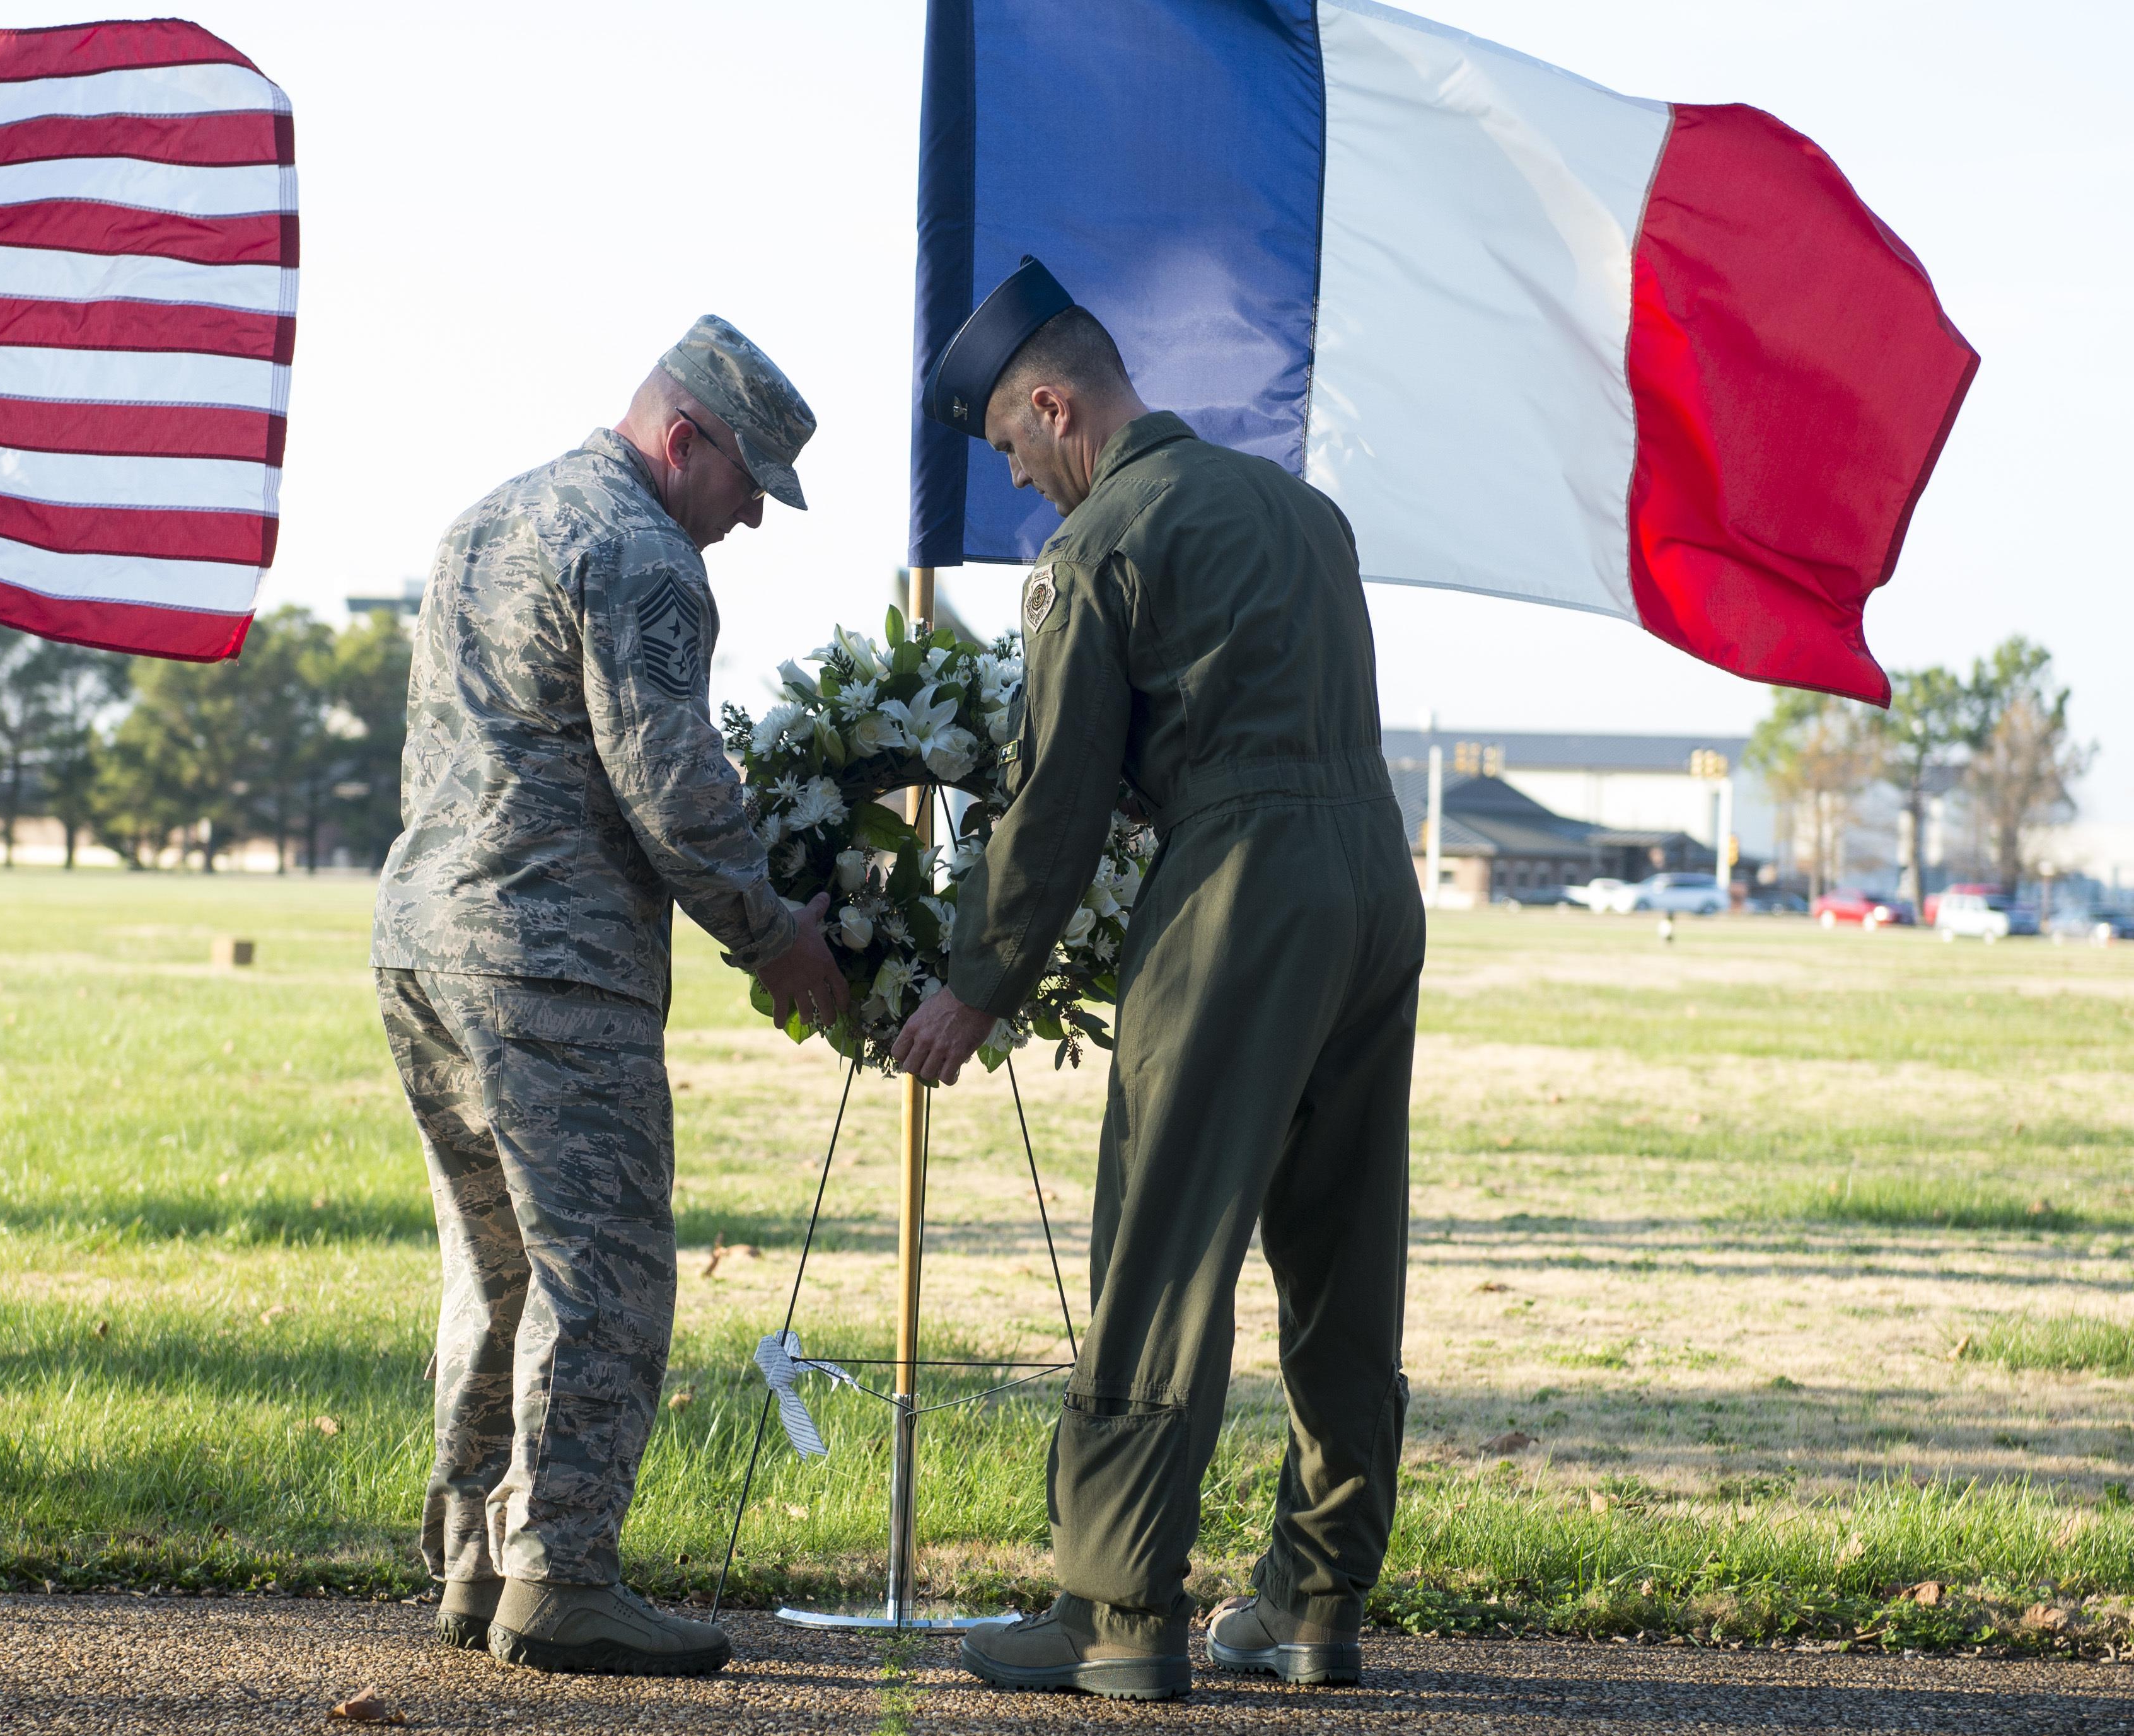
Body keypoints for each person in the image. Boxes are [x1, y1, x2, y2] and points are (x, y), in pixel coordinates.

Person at [895, 259, 1425, 1701]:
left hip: (1239, 893)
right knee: (1341, 1243)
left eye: (1014, 453)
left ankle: (1117, 1611)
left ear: (1053, 407)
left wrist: (979, 982)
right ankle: (1314, 1601)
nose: (1025, 489)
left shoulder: (1101, 543)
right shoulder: (1303, 514)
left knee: (1163, 1242)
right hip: (1375, 879)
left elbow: (1058, 798)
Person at [371, 315, 849, 1677]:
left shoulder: (490, 518)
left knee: (493, 1265)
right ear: (680, 436)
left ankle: (473, 1563)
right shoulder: (642, 555)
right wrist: (774, 936)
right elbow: (672, 787)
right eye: (746, 482)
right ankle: (563, 1577)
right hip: (550, 960)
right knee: (606, 1275)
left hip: (422, 941)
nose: (749, 518)